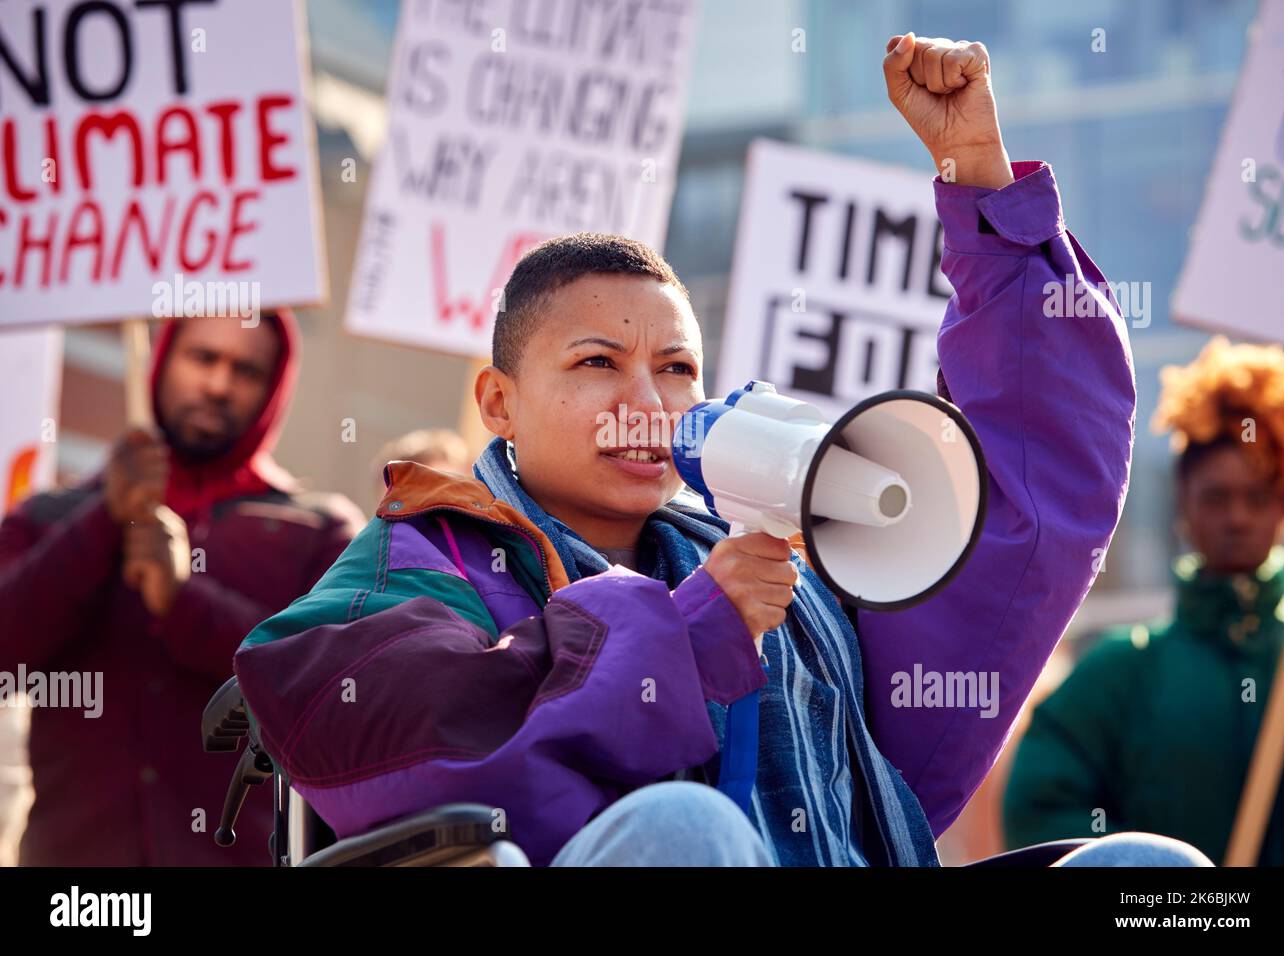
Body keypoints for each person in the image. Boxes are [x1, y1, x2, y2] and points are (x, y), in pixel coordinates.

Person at [231, 34, 1204, 867]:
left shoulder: (792, 576)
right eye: (597, 361)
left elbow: (1027, 507)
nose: (646, 400)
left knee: (1155, 874)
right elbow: (405, 744)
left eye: (677, 366)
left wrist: (982, 188)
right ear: (498, 402)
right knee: (684, 830)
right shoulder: (424, 557)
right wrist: (690, 635)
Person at [0, 310, 365, 865]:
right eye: (202, 358)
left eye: (245, 370)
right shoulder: (54, 517)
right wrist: (102, 523)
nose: (218, 385)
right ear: (162, 358)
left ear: (274, 389)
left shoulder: (319, 532)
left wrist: (184, 599)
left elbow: (332, 697)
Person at [1004, 336, 1284, 865]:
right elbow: (1040, 813)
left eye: (1256, 498)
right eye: (1216, 497)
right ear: (1182, 504)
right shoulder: (1117, 673)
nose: (1237, 517)